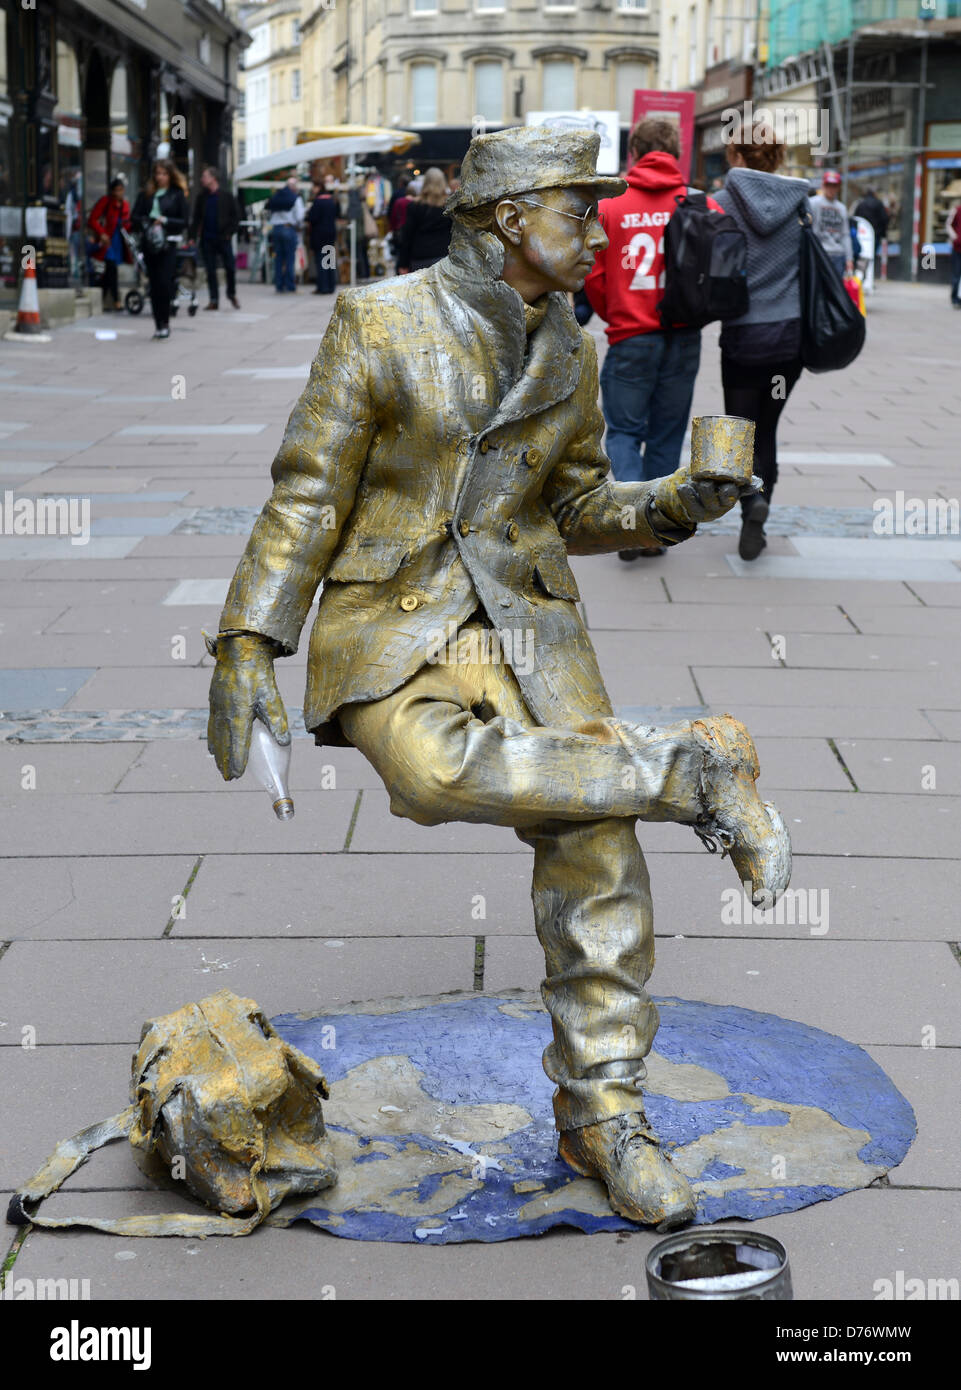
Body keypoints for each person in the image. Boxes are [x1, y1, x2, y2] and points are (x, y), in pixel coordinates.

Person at [206, 126, 789, 1231]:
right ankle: (687, 766)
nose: (599, 236)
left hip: (524, 622)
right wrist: (248, 641)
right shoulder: (380, 321)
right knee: (428, 773)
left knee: (594, 840)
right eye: (580, 214)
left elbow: (569, 507)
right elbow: (306, 494)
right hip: (399, 617)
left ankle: (603, 1110)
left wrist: (679, 500)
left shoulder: (570, 348)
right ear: (509, 216)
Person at [584, 117, 722, 562]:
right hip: (683, 337)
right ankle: (658, 528)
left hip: (630, 337)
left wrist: (619, 314)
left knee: (623, 431)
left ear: (633, 153)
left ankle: (629, 525)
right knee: (667, 432)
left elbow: (595, 276)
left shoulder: (612, 205)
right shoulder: (701, 203)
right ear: (677, 152)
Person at [713, 121, 811, 560]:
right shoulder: (802, 204)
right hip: (789, 337)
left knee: (742, 427)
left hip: (742, 336)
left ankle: (749, 502)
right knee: (769, 429)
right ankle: (761, 508)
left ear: (736, 155)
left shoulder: (719, 204)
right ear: (778, 156)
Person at [132, 160, 189, 340]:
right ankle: (158, 323)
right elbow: (134, 216)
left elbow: (185, 221)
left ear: (170, 175)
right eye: (157, 173)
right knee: (154, 284)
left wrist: (165, 220)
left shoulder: (177, 194)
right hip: (150, 244)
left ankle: (165, 322)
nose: (160, 177)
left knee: (165, 283)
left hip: (168, 244)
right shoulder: (146, 194)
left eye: (164, 174)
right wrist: (147, 221)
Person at [189, 166, 241, 311]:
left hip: (223, 238)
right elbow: (196, 218)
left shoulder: (226, 196)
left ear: (213, 178)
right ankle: (214, 300)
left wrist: (229, 233)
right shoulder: (202, 197)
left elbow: (236, 217)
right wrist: (192, 237)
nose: (202, 179)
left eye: (205, 176)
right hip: (207, 239)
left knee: (230, 267)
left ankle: (231, 293)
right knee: (210, 270)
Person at [395, 167, 452, 273]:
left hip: (420, 257)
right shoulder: (449, 205)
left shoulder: (414, 206)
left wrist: (403, 263)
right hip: (443, 256)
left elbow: (407, 235)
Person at [87, 178, 132, 312]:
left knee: (109, 271)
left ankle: (102, 299)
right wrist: (102, 233)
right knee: (112, 268)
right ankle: (116, 300)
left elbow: (127, 224)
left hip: (119, 241)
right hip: (107, 241)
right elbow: (92, 220)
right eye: (116, 190)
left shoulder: (125, 205)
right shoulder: (105, 202)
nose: (119, 193)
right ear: (112, 191)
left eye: (121, 190)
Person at [809, 170, 853, 280]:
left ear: (838, 187)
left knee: (835, 292)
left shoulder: (842, 208)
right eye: (828, 185)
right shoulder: (813, 203)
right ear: (823, 185)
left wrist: (849, 258)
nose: (831, 189)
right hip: (818, 253)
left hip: (837, 255)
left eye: (834, 185)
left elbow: (845, 234)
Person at [266, 175, 305, 293]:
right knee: (289, 258)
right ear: (294, 187)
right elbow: (300, 216)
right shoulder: (295, 198)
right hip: (289, 228)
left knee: (278, 258)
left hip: (276, 229)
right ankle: (290, 285)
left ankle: (279, 285)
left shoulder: (276, 196)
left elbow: (269, 210)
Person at [307, 182, 339, 294]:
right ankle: (331, 285)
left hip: (319, 235)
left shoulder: (318, 201)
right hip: (330, 234)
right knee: (329, 261)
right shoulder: (332, 201)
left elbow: (312, 218)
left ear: (318, 187)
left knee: (321, 261)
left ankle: (323, 286)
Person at [853, 187, 889, 253]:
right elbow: (885, 219)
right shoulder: (878, 203)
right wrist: (883, 234)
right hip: (876, 235)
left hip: (863, 235)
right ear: (874, 194)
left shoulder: (860, 204)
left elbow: (855, 219)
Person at [947, 200, 961, 309]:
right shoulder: (956, 210)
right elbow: (948, 225)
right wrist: (955, 237)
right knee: (956, 275)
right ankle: (955, 298)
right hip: (958, 248)